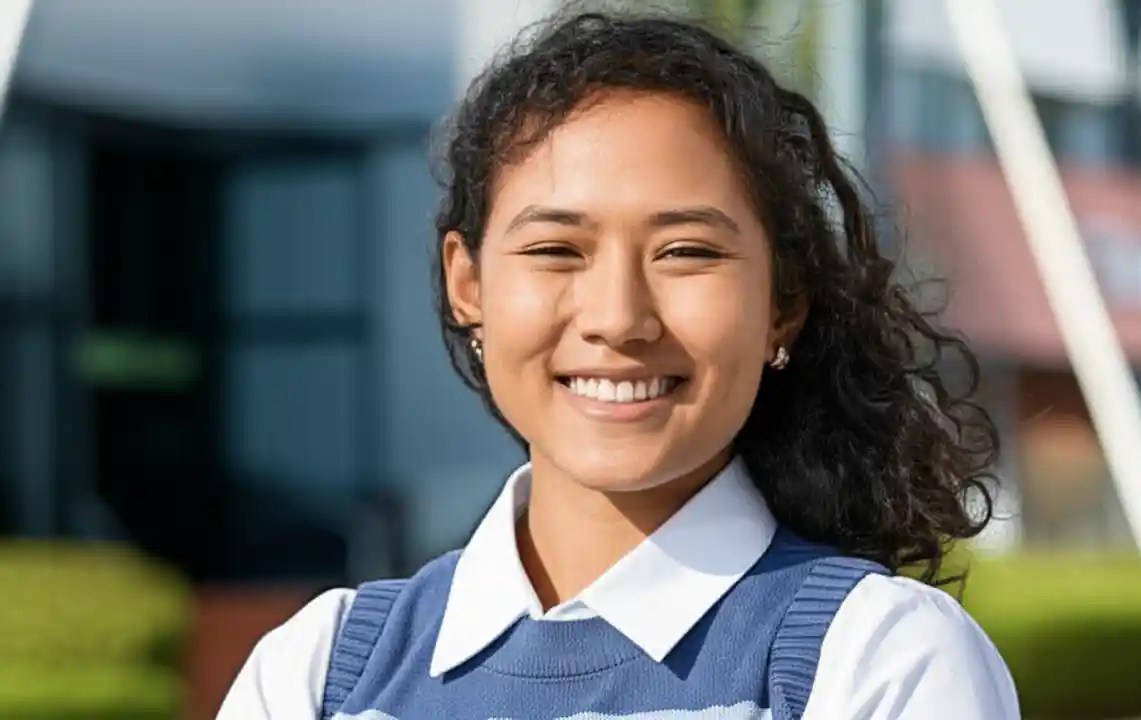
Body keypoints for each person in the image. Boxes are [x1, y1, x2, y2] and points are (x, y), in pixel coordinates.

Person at [218, 9, 1019, 719]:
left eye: (686, 251)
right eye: (555, 249)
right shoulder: (321, 672)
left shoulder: (878, 660)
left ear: (784, 300)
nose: (618, 319)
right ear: (470, 284)